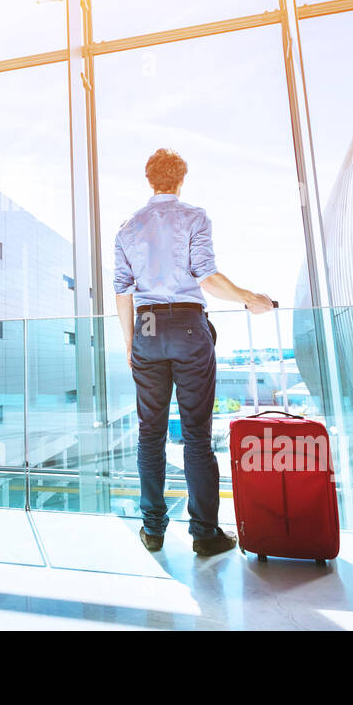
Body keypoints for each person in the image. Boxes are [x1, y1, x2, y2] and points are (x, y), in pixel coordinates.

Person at [113, 148, 274, 557]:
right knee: (197, 436)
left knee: (150, 435)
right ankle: (204, 533)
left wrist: (132, 341)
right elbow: (207, 277)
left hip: (146, 326)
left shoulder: (127, 227)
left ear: (149, 180)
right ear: (180, 180)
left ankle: (153, 529)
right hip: (187, 325)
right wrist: (250, 298)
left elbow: (121, 291)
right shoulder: (194, 217)